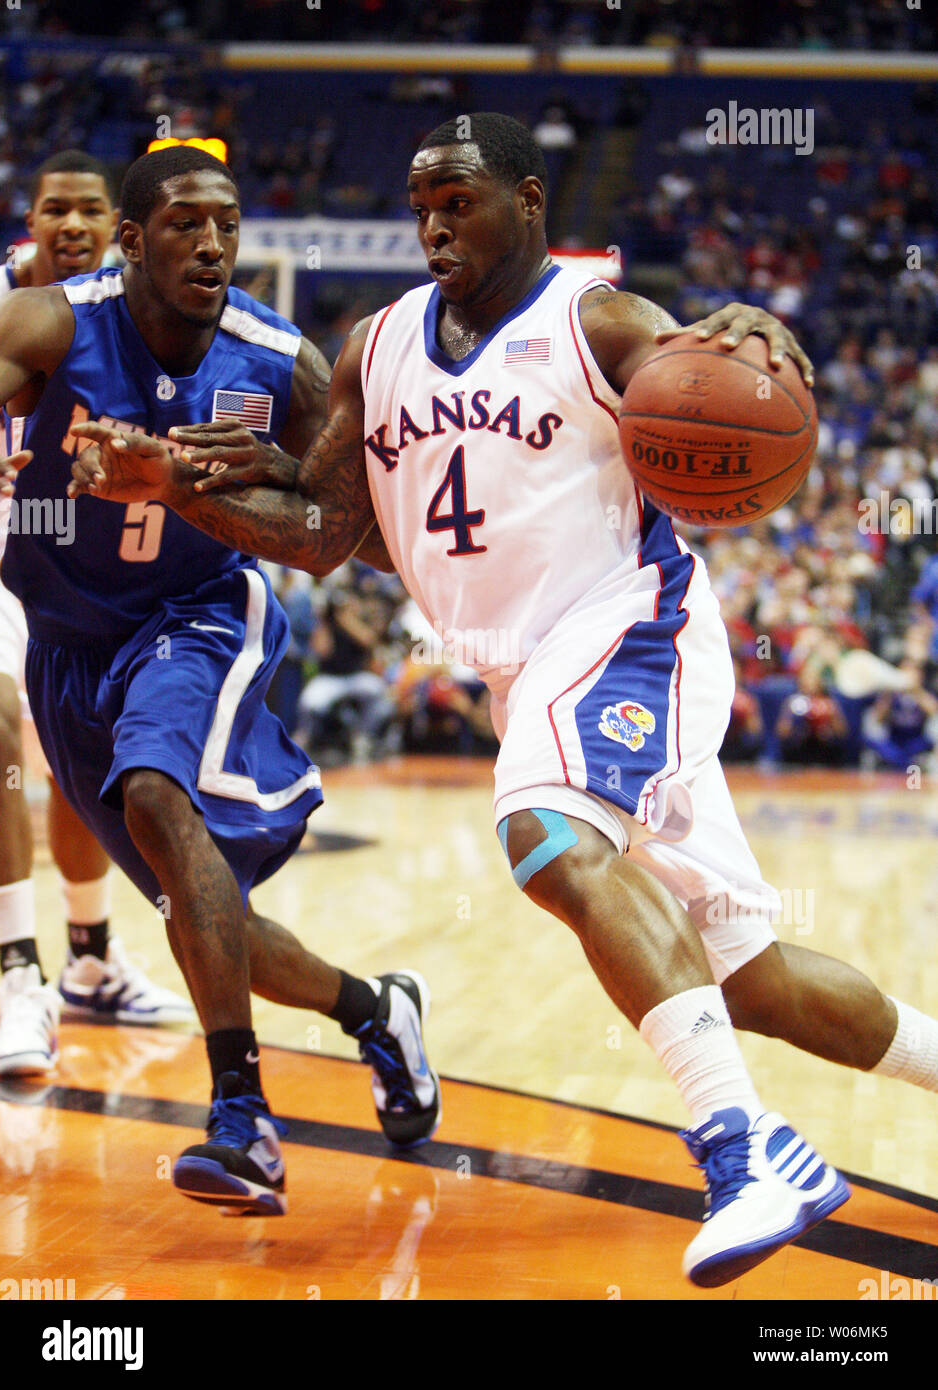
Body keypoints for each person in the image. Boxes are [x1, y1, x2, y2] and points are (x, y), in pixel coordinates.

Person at [63, 115, 938, 1286]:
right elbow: (326, 534)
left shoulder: (595, 318)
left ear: (529, 202)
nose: (433, 221)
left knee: (544, 833)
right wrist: (176, 485)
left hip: (631, 625)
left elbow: (723, 360)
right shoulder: (377, 346)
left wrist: (764, 328)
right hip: (526, 669)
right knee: (750, 976)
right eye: (421, 200)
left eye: (460, 200)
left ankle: (746, 1150)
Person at [0, 145, 440, 1214]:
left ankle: (241, 1116)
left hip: (196, 616)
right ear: (132, 240)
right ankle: (377, 1007)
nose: (212, 245)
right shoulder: (50, 324)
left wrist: (224, 486)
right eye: (187, 225)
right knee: (202, 917)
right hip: (65, 643)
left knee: (158, 792)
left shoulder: (277, 361)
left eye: (228, 226)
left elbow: (349, 539)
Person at [0, 150, 192, 1082]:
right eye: (53, 208)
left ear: (115, 225)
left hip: (82, 544)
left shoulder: (133, 313)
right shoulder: (3, 302)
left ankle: (90, 956)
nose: (69, 224)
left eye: (88, 209)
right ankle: (18, 978)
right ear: (29, 220)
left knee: (88, 760)